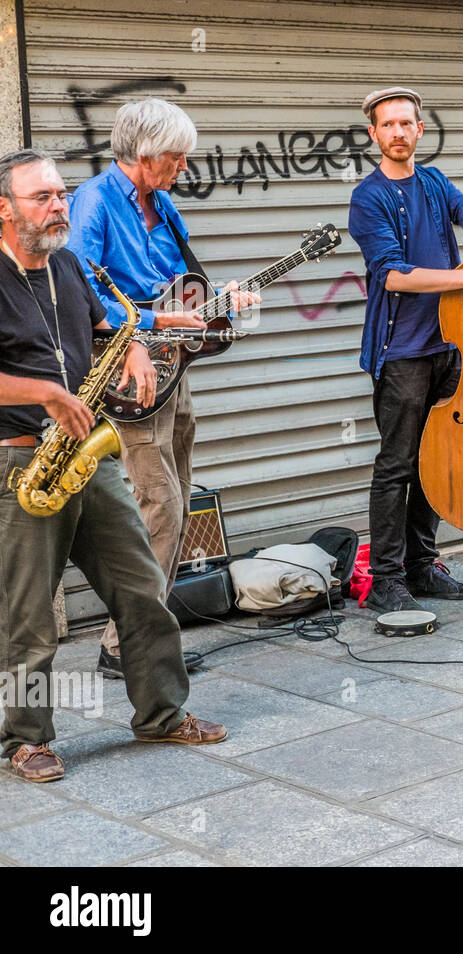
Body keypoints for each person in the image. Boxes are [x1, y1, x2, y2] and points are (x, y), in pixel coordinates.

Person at [0, 149, 227, 783]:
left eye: (61, 194)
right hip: (20, 464)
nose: (58, 206)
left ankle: (160, 712)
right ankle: (27, 739)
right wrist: (42, 392)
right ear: (3, 208)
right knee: (28, 616)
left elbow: (109, 326)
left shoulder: (69, 265)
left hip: (89, 456)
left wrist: (131, 350)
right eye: (41, 197)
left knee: (141, 585)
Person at [67, 98, 259, 679]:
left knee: (177, 498)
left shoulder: (164, 203)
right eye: (177, 157)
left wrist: (220, 298)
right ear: (146, 155)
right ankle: (125, 645)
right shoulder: (94, 202)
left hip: (172, 369)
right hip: (128, 372)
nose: (184, 167)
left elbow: (176, 286)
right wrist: (138, 334)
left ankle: (143, 635)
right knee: (164, 507)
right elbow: (76, 291)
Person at [348, 86, 463, 612]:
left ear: (420, 130)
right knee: (397, 465)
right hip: (401, 352)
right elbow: (394, 277)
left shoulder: (432, 182)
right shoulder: (369, 196)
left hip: (448, 347)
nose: (399, 133)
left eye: (407, 124)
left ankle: (421, 568)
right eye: (389, 125)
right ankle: (386, 579)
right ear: (374, 135)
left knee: (435, 461)